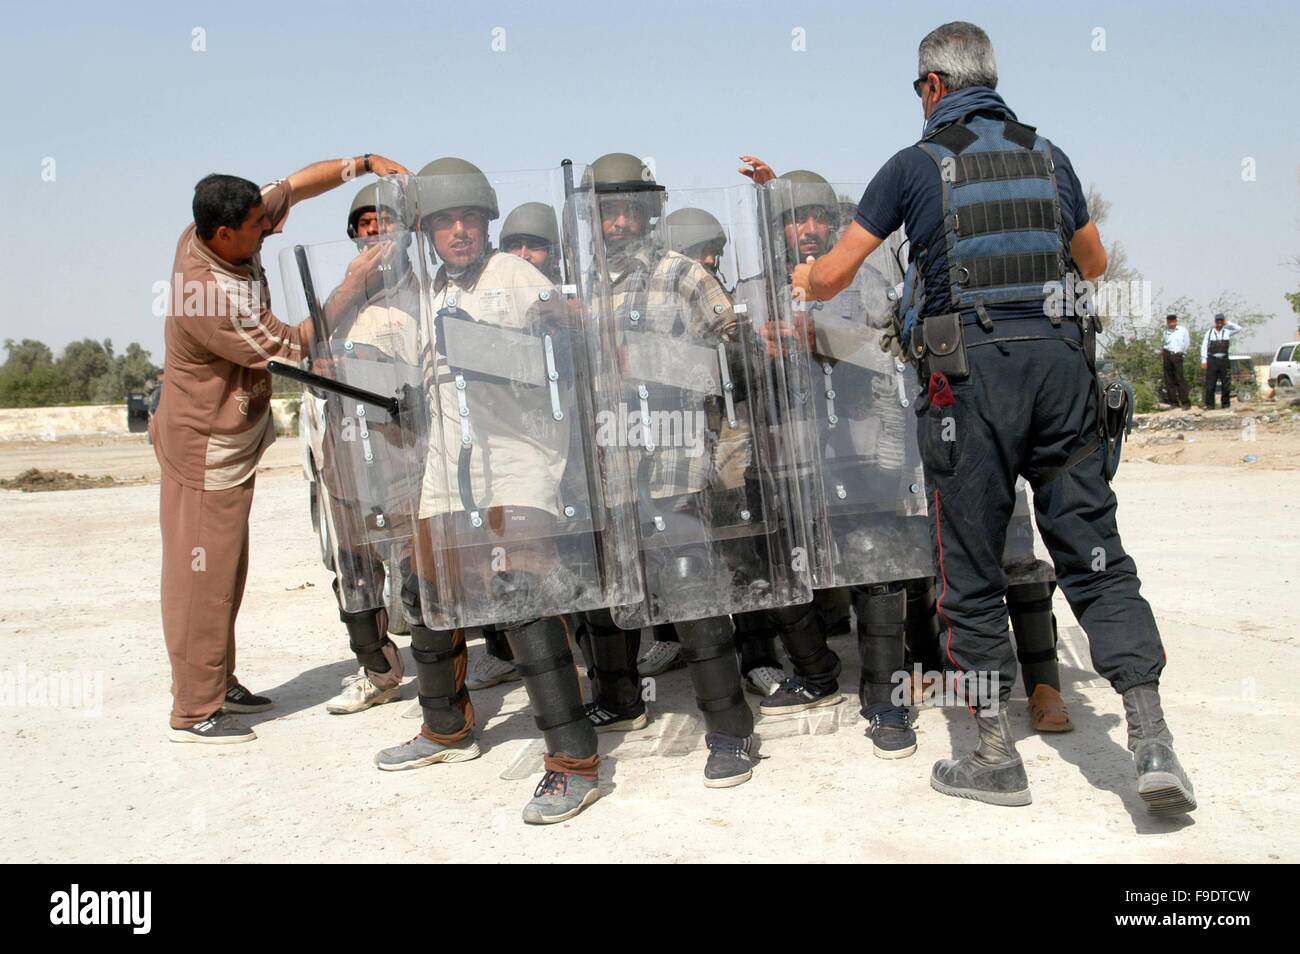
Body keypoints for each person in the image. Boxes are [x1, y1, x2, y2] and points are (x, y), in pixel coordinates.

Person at [789, 22, 1195, 814]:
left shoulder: (912, 166)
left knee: (968, 568)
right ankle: (1151, 739)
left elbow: (835, 275)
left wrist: (808, 273)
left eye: (918, 90)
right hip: (1063, 372)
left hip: (968, 384)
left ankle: (991, 756)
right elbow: (1095, 262)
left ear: (933, 86)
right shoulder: (1050, 157)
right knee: (1095, 551)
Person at [373, 158, 605, 825]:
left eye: (468, 219)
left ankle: (573, 762)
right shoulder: (424, 296)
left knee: (525, 597)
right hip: (448, 464)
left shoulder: (515, 275)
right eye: (443, 223)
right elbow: (417, 384)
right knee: (425, 593)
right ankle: (445, 730)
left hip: (518, 458)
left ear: (485, 222)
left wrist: (561, 320)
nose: (458, 233)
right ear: (427, 233)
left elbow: (559, 339)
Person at [155, 153, 410, 744]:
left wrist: (365, 164)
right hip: (205, 449)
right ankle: (194, 710)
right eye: (256, 228)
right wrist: (354, 284)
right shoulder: (210, 294)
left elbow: (296, 186)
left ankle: (218, 681)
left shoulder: (228, 226)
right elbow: (294, 347)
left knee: (225, 569)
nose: (268, 229)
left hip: (231, 441)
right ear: (222, 234)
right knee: (200, 575)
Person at [735, 162, 937, 758]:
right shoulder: (749, 291)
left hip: (862, 447)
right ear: (778, 230)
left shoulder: (869, 279)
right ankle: (816, 674)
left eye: (820, 216)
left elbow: (895, 353)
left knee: (876, 565)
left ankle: (885, 700)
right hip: (786, 455)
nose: (809, 228)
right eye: (796, 218)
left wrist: (821, 338)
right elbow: (730, 381)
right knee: (786, 568)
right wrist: (757, 349)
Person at [577, 153, 763, 788]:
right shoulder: (587, 287)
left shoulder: (681, 272)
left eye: (630, 208)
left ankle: (731, 731)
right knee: (611, 588)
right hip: (612, 464)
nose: (619, 220)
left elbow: (736, 347)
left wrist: (669, 364)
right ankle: (621, 698)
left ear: (650, 213)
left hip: (678, 458)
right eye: (608, 211)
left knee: (690, 585)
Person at [317, 182, 420, 715]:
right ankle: (377, 671)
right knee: (352, 568)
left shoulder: (424, 293)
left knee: (420, 563)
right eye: (365, 224)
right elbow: (307, 354)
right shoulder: (339, 298)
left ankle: (449, 683)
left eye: (385, 222)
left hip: (403, 451)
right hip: (346, 453)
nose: (375, 232)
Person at [1201, 312, 1242, 409]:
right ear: (1215, 322)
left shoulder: (1227, 331)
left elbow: (1239, 328)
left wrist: (1227, 323)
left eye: (1221, 320)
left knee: (1226, 384)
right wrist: (1204, 360)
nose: (1219, 322)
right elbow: (1203, 346)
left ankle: (1226, 404)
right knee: (1210, 384)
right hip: (1212, 360)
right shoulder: (1210, 332)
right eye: (1218, 321)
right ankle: (1210, 405)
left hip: (1224, 360)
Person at [1161, 313, 1192, 410]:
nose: (1172, 324)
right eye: (1170, 322)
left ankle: (1185, 402)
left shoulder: (1182, 330)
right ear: (1168, 322)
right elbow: (1164, 344)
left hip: (1177, 355)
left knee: (1180, 379)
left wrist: (1183, 353)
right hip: (1167, 355)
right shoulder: (1165, 332)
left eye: (1173, 321)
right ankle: (1173, 402)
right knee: (1169, 380)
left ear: (1176, 321)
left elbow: (1186, 343)